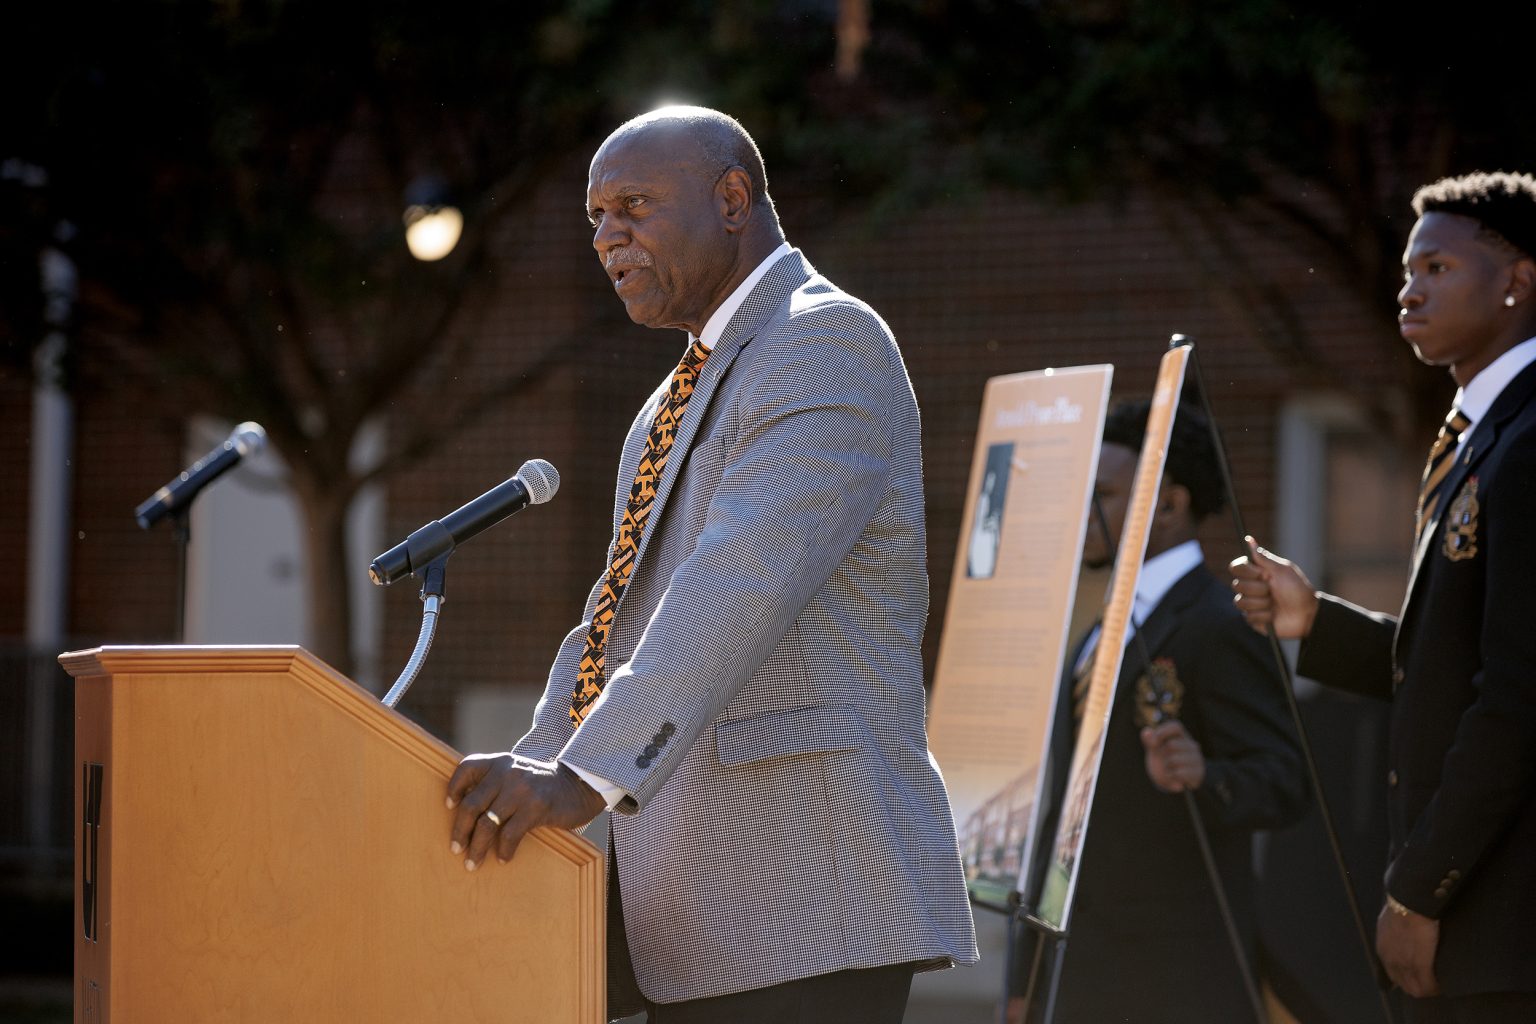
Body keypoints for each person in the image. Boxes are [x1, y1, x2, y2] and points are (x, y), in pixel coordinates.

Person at [442, 105, 978, 1023]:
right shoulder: (669, 401)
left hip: (808, 897)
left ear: (733, 200)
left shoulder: (824, 341)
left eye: (634, 206)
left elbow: (739, 581)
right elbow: (613, 624)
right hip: (692, 911)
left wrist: (579, 778)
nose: (606, 237)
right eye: (596, 217)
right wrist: (527, 774)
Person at [1230, 170, 1536, 1022]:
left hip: (1504, 928)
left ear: (1518, 282)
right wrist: (1314, 622)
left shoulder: (1528, 443)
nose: (1409, 290)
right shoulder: (1478, 439)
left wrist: (1419, 891)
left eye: (1438, 268)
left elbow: (1516, 698)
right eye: (1407, 270)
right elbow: (1453, 662)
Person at [1009, 400, 1308, 1023]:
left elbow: (1286, 780)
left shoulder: (1220, 625)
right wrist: (1025, 977)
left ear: (1168, 504)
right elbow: (1064, 812)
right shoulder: (1097, 634)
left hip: (1178, 979)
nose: (1082, 509)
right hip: (1080, 970)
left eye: (1102, 493)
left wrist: (1205, 774)